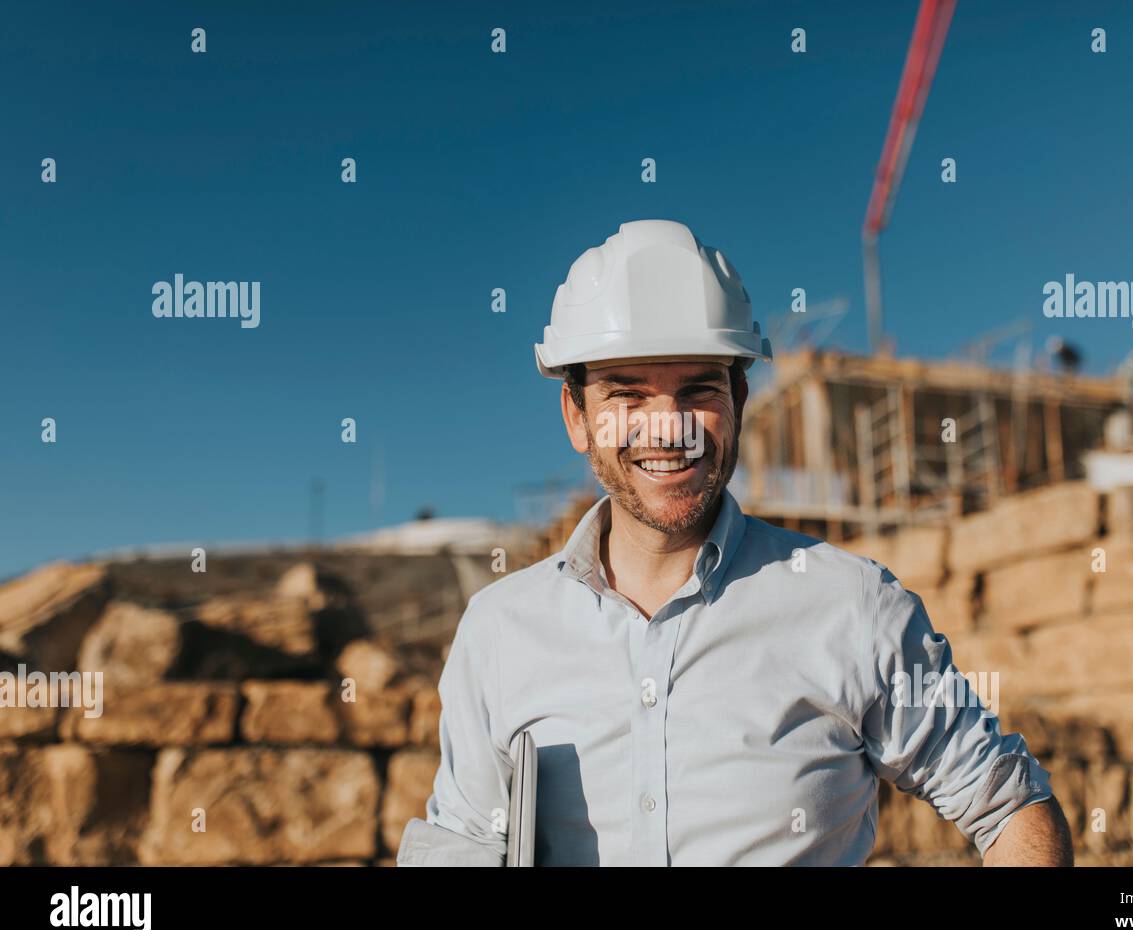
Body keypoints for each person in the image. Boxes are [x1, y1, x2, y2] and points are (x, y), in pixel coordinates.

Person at [397, 219, 1072, 866]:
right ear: (577, 415)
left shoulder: (853, 608)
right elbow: (465, 842)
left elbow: (1010, 807)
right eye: (627, 395)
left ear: (740, 399)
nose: (668, 429)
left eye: (697, 390)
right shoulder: (498, 632)